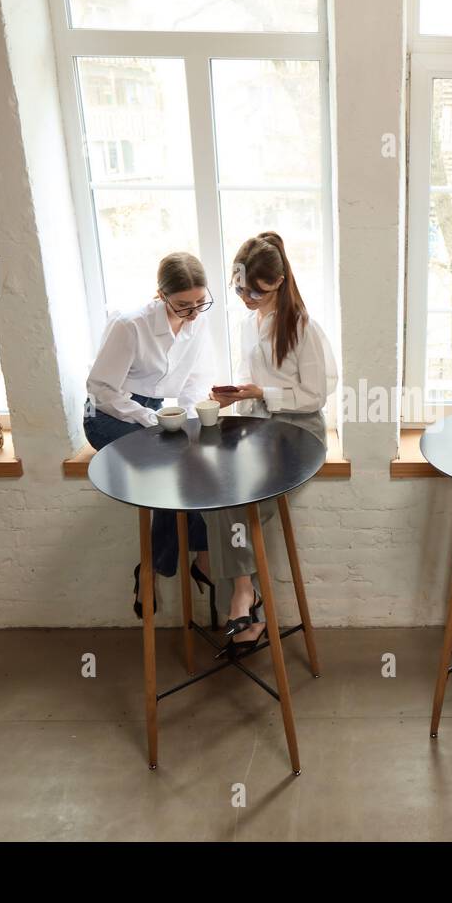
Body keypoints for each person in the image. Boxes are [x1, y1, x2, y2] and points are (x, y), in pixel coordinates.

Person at [205, 231, 336, 657]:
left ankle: (243, 600)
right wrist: (235, 396)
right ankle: (247, 597)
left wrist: (261, 393)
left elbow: (315, 396)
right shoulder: (250, 323)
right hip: (258, 427)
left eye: (253, 289)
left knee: (236, 503)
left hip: (299, 433)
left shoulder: (302, 327)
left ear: (278, 281)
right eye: (238, 287)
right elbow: (254, 386)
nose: (244, 297)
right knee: (216, 495)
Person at [84, 252, 217, 619]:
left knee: (195, 462)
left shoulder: (197, 325)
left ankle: (186, 559)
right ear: (161, 294)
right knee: (166, 469)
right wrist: (150, 418)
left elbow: (194, 381)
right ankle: (167, 565)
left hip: (157, 412)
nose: (192, 313)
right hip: (111, 413)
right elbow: (100, 388)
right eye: (183, 305)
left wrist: (190, 422)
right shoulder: (131, 325)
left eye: (199, 303)